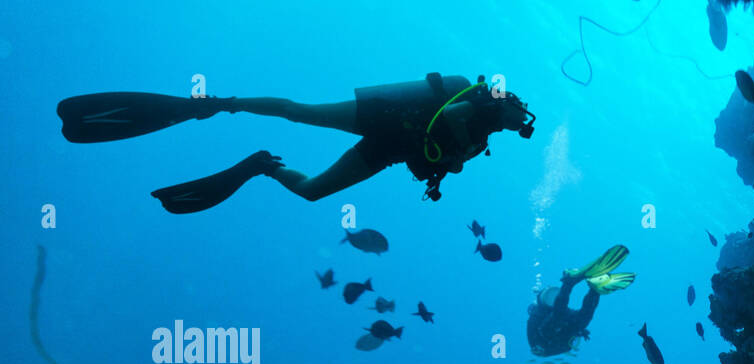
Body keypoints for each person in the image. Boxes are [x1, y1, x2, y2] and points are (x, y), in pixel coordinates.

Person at [57, 74, 535, 212]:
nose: (520, 124)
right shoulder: (484, 107)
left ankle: (262, 165)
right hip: (388, 117)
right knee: (300, 111)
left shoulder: (485, 136)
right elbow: (447, 116)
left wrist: (452, 162)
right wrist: (457, 153)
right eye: (521, 115)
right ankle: (223, 103)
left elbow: (439, 159)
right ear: (512, 104)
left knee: (312, 191)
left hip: (388, 150)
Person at [527, 246, 636, 357]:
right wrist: (580, 331)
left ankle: (569, 282)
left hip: (549, 331)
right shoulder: (561, 337)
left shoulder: (537, 328)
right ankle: (594, 290)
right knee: (583, 318)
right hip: (560, 328)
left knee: (561, 316)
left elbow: (559, 313)